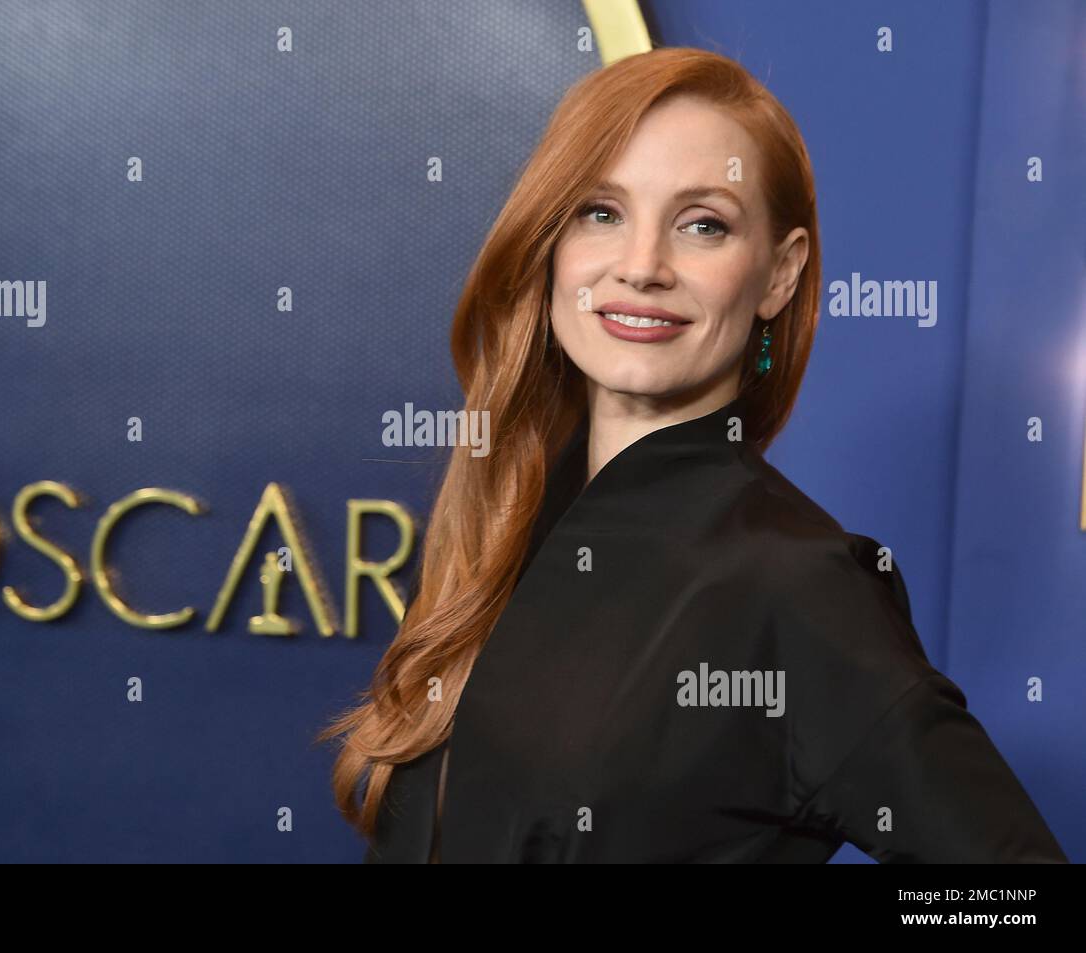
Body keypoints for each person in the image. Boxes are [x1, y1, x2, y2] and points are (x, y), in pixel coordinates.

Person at [317, 47, 1069, 863]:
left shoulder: (799, 582)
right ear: (550, 243)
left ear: (779, 275)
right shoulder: (509, 517)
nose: (641, 267)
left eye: (702, 224)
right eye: (600, 212)